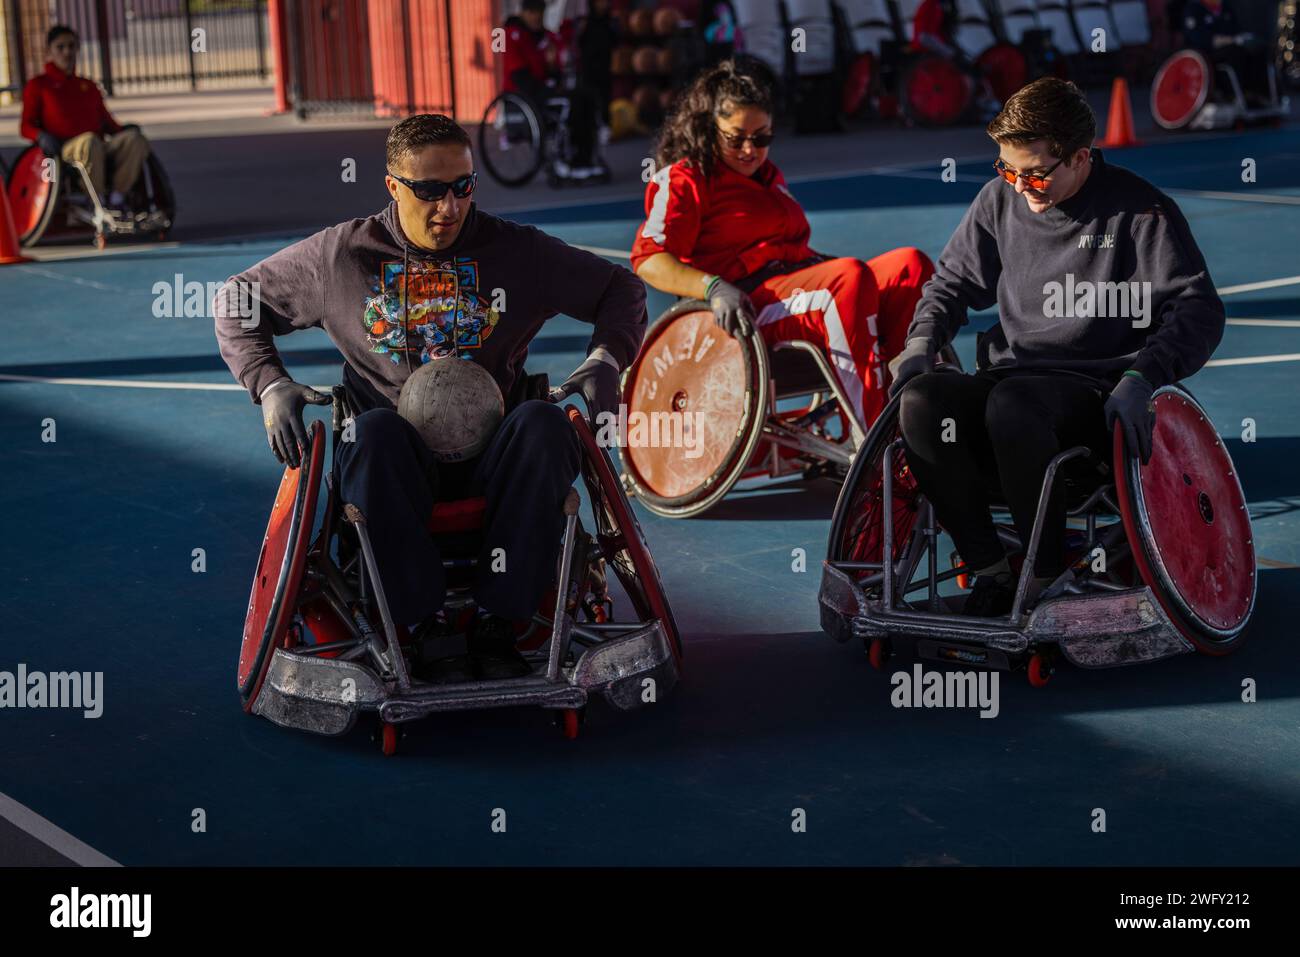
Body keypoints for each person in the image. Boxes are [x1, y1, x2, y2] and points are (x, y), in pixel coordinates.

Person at [214, 114, 646, 680]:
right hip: (392, 462)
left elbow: (622, 289)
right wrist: (270, 385)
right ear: (393, 186)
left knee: (543, 422)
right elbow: (236, 300)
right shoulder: (342, 256)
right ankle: (417, 624)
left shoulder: (516, 252)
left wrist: (605, 359)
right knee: (374, 432)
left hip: (496, 456)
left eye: (463, 187)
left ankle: (502, 619)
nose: (450, 207)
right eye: (430, 191)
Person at [889, 78, 1225, 616]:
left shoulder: (1140, 212)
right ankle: (991, 570)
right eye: (1007, 169)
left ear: (1081, 157)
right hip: (1013, 383)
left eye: (1036, 173)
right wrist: (922, 341)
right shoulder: (1000, 199)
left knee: (1013, 404)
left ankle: (1043, 576)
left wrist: (1143, 378)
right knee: (924, 401)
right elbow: (951, 283)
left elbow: (1198, 309)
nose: (1020, 185)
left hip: (1096, 396)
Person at [630, 57, 935, 432]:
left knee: (910, 266)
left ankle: (912, 418)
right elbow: (648, 259)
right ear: (710, 129)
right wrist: (711, 287)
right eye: (735, 138)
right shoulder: (685, 179)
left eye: (761, 138)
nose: (749, 150)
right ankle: (874, 449)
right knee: (847, 280)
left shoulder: (768, 177)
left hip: (794, 285)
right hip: (745, 302)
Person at [19, 24, 151, 214]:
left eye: (72, 46)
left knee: (135, 140)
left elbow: (108, 123)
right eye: (60, 47)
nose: (67, 52)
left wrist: (126, 130)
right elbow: (25, 126)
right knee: (90, 141)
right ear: (49, 51)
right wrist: (40, 136)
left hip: (97, 145)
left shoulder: (87, 86)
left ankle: (117, 197)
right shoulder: (38, 86)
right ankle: (96, 199)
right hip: (65, 150)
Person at [502, 0, 604, 179]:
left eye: (539, 11)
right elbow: (519, 76)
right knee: (572, 103)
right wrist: (548, 89)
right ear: (523, 13)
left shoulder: (548, 37)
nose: (536, 16)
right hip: (524, 94)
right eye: (532, 12)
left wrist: (553, 65)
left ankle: (586, 157)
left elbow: (559, 71)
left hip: (545, 88)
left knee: (587, 97)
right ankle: (570, 160)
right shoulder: (510, 35)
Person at [1180, 0, 1275, 107]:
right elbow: (1199, 38)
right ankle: (1232, 94)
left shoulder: (1225, 8)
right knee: (1235, 53)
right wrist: (1230, 40)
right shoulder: (1194, 8)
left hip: (1231, 48)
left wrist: (1244, 38)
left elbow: (1236, 30)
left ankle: (1259, 93)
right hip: (1206, 54)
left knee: (1259, 51)